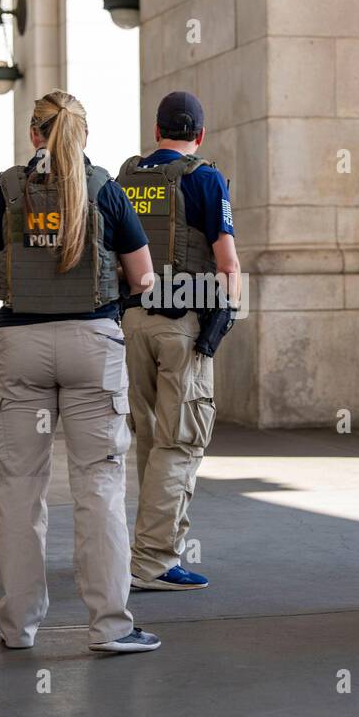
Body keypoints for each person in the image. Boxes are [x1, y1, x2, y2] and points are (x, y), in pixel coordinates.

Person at [0, 89, 160, 653]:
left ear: (33, 135)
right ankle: (110, 628)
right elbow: (144, 277)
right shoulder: (105, 190)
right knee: (98, 486)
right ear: (84, 134)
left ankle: (18, 627)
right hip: (92, 343)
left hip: (22, 342)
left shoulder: (4, 192)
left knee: (20, 487)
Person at [115, 91, 240, 591]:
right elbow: (227, 262)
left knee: (152, 438)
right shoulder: (205, 178)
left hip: (132, 323)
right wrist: (224, 315)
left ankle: (154, 549)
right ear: (200, 135)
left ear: (156, 130)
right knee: (182, 440)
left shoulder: (126, 179)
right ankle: (153, 562)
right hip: (180, 324)